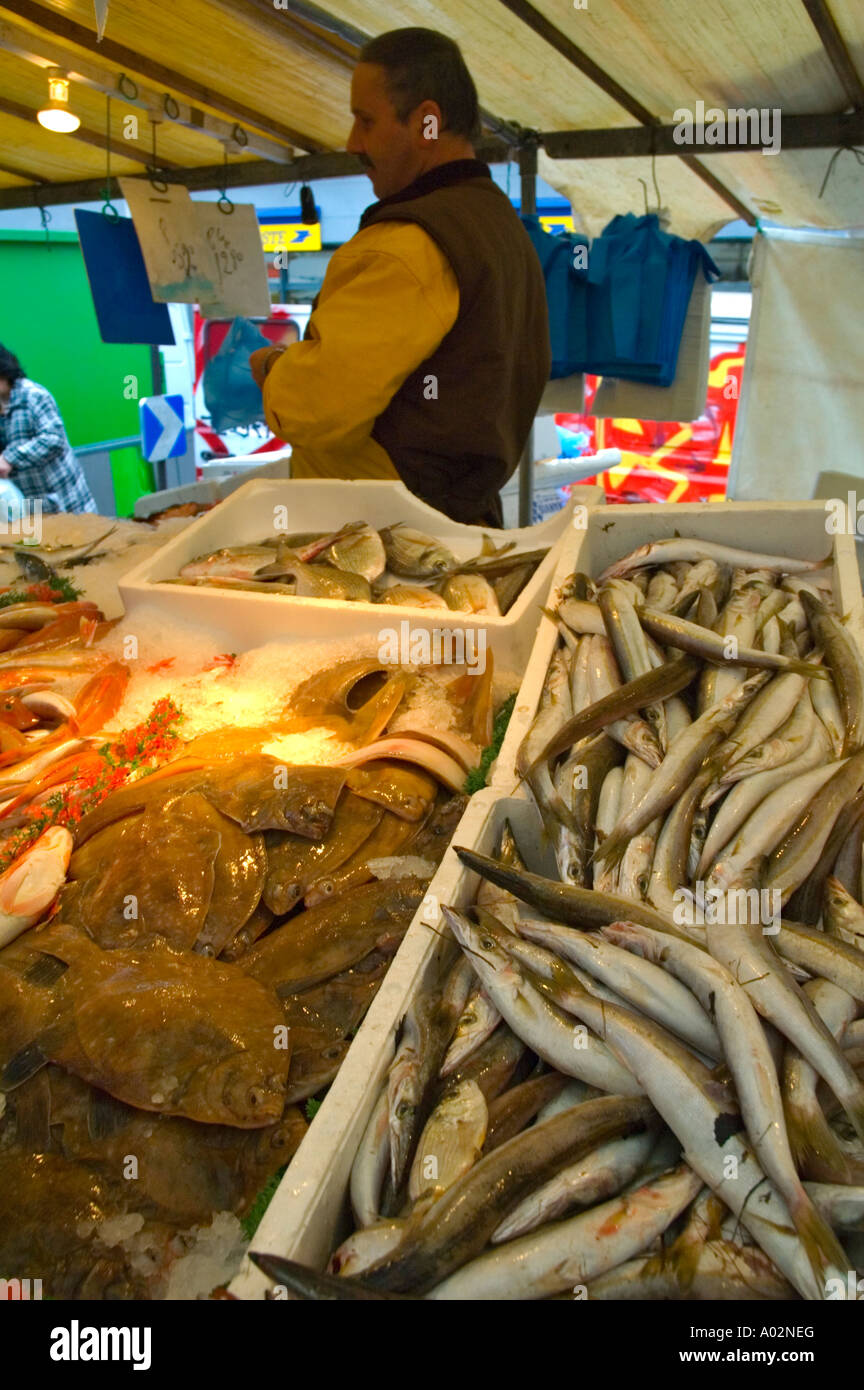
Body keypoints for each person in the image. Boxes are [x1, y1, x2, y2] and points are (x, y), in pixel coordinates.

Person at [250, 27, 550, 526]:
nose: (352, 143)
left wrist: (273, 367)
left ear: (428, 124)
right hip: (450, 529)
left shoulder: (409, 244)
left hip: (387, 546)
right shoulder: (501, 229)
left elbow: (317, 408)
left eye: (366, 121)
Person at [0, 346, 97, 514]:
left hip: (67, 504)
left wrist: (10, 458)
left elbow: (53, 439)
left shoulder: (33, 395)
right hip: (31, 509)